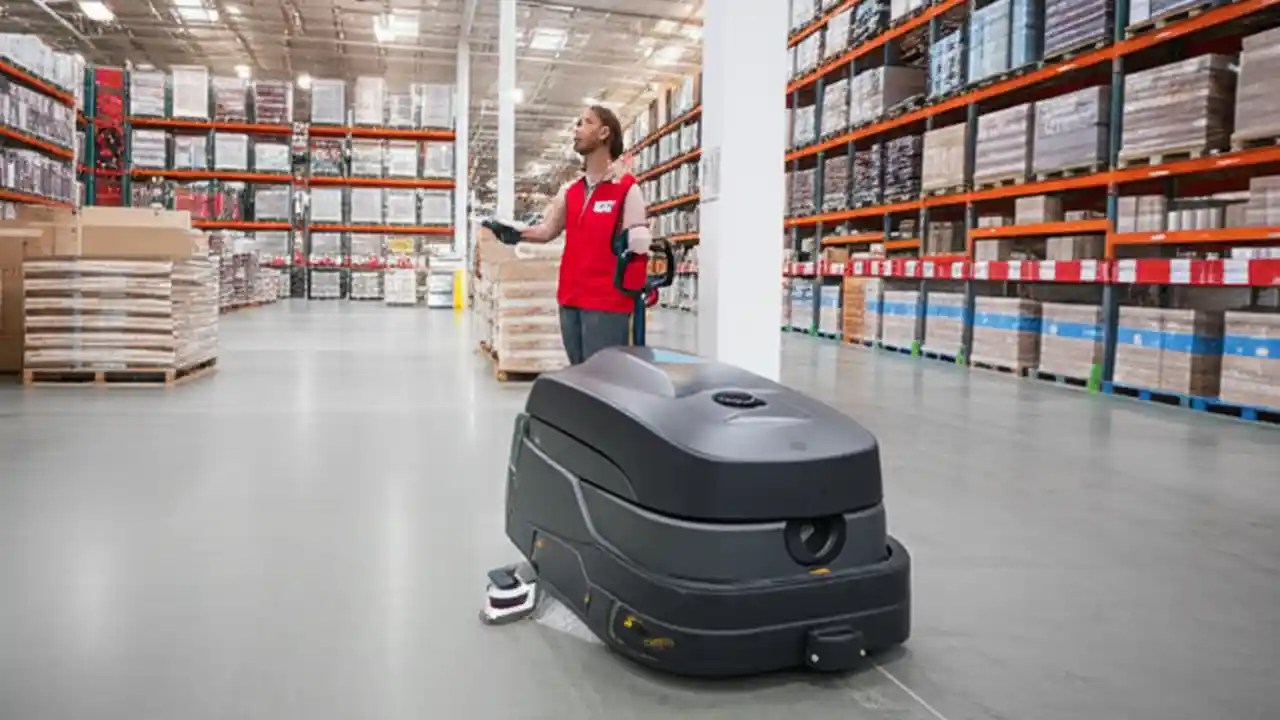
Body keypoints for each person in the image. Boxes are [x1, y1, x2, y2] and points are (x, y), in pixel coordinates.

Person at [519, 105, 651, 365]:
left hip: (608, 303)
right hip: (570, 299)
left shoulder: (626, 189)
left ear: (604, 133)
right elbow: (546, 231)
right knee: (579, 374)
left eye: (584, 123)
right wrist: (511, 233)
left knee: (606, 380)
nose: (575, 129)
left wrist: (638, 287)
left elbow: (639, 245)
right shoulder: (570, 191)